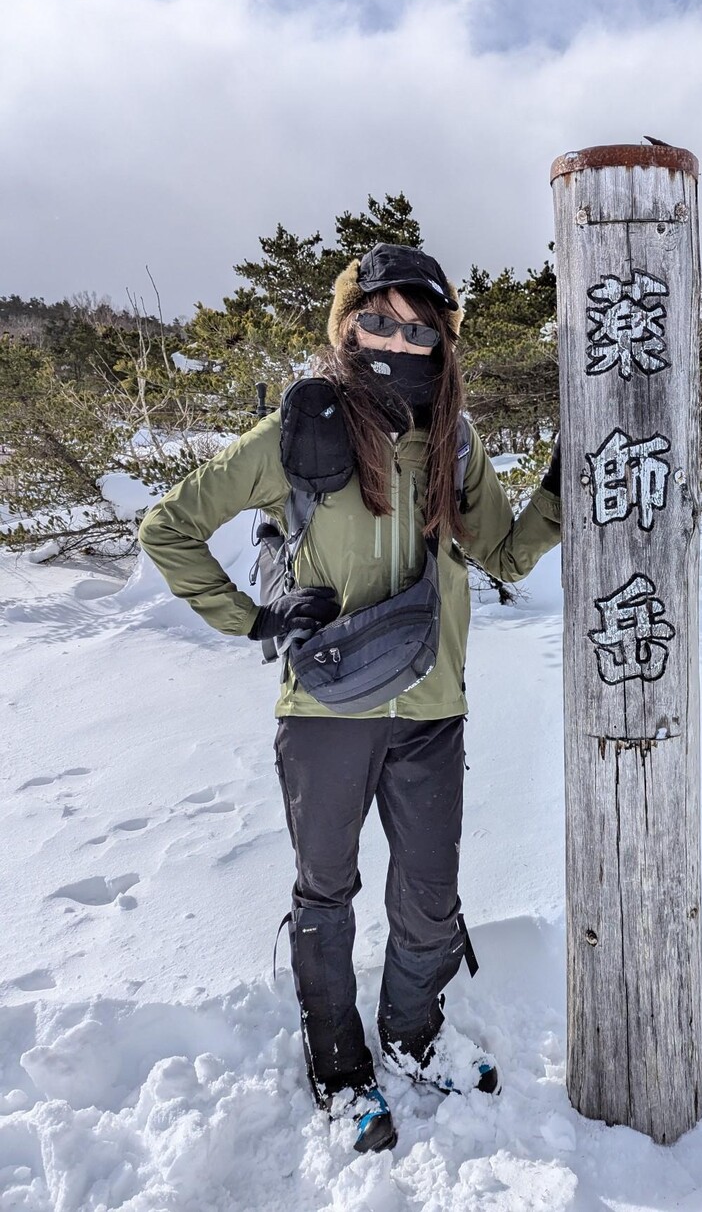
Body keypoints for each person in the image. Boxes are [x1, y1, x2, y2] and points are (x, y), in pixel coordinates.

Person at [138, 243, 562, 1153]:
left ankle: (410, 1036)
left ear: (444, 339)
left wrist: (564, 486)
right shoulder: (306, 424)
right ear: (344, 322)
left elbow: (506, 554)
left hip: (431, 707)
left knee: (428, 899)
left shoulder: (455, 439)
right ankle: (338, 1067)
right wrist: (251, 620)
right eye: (375, 318)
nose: (394, 338)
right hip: (326, 713)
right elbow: (166, 525)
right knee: (325, 892)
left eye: (416, 326)